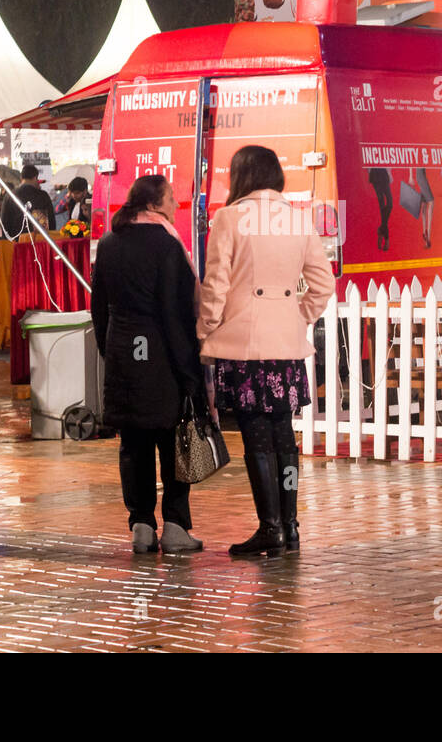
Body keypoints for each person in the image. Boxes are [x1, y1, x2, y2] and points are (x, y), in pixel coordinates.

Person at [198, 145, 334, 557]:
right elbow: (323, 283)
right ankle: (290, 528)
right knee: (284, 436)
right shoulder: (298, 218)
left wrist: (206, 330)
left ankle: (270, 527)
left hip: (243, 345)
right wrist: (297, 316)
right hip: (286, 346)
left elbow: (216, 283)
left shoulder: (229, 217)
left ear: (241, 176)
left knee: (256, 435)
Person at [91, 175, 205, 555]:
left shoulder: (108, 245)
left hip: (124, 355)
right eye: (172, 198)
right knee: (174, 442)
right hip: (162, 357)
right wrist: (189, 370)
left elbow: (99, 309)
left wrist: (113, 351)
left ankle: (141, 525)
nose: (176, 204)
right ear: (155, 203)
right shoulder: (167, 246)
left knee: (134, 444)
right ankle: (175, 526)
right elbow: (177, 313)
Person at [0, 164, 55, 238]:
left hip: (17, 242)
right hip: (39, 242)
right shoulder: (43, 195)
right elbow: (51, 221)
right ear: (35, 177)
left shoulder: (10, 196)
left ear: (21, 177)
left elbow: (4, 222)